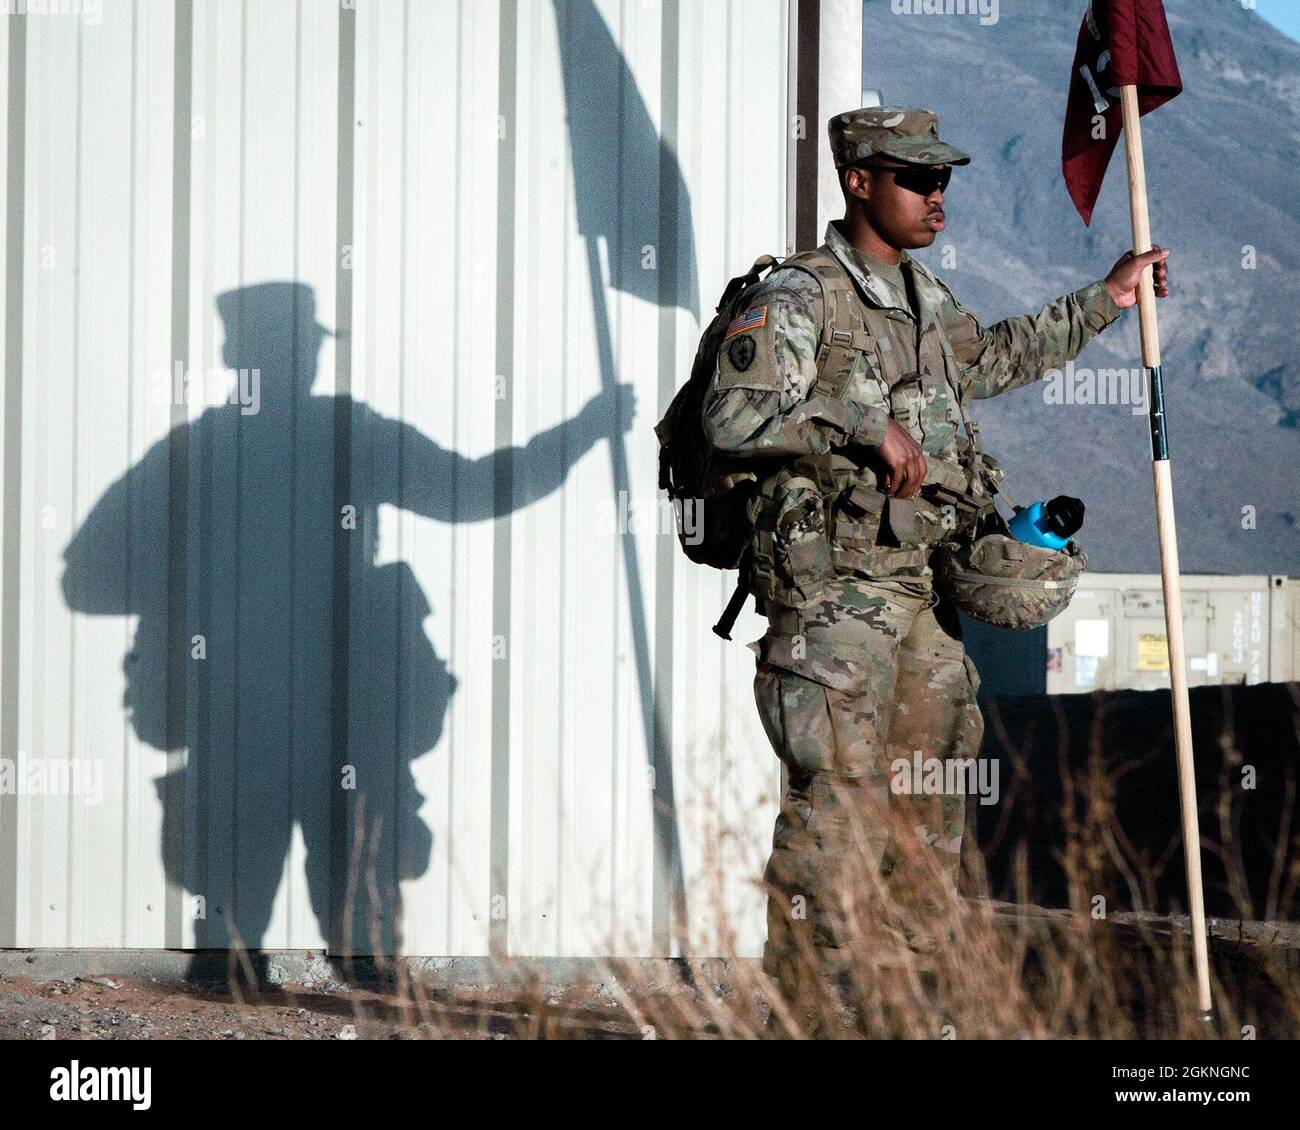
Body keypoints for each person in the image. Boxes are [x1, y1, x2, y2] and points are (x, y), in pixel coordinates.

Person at [700, 107, 1170, 1026]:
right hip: (834, 607)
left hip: (922, 604)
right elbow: (731, 419)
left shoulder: (923, 296)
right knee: (831, 823)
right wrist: (858, 421)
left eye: (944, 176)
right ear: (858, 181)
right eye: (916, 177)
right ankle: (803, 1020)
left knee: (927, 825)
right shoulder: (801, 296)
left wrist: (1104, 300)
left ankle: (906, 1016)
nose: (936, 193)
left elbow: (988, 359)